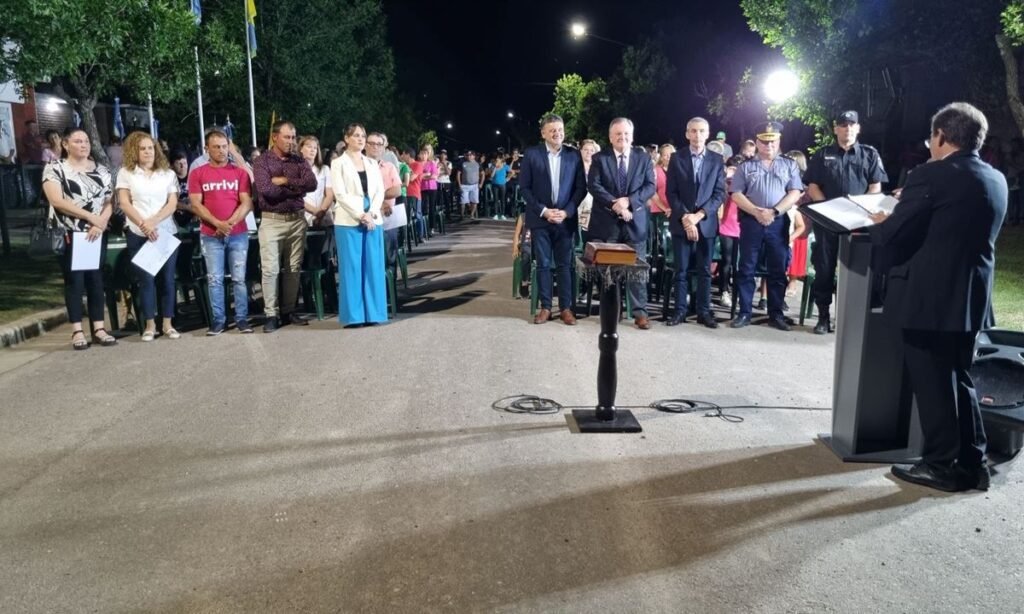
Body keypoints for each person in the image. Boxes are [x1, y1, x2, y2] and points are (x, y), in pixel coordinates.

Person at [866, 102, 1006, 493]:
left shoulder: (931, 174)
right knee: (960, 379)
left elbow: (896, 234)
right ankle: (973, 463)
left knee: (933, 385)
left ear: (941, 136)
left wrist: (882, 221)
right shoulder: (995, 177)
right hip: (970, 298)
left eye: (932, 137)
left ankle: (940, 465)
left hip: (929, 299)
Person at [804, 110, 888, 334]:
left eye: (851, 125)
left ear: (858, 128)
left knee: (856, 271)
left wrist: (860, 210)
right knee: (824, 268)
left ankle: (850, 320)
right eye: (843, 125)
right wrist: (829, 209)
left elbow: (875, 187)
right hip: (828, 221)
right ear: (835, 129)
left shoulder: (869, 154)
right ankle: (823, 317)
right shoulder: (823, 154)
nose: (847, 128)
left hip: (857, 222)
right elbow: (812, 186)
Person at [41, 127, 117, 350]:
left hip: (96, 232)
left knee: (96, 279)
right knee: (75, 281)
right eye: (77, 141)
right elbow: (57, 201)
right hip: (70, 231)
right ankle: (77, 330)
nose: (83, 145)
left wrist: (100, 221)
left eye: (86, 141)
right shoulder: (55, 169)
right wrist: (90, 217)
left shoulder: (101, 170)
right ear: (65, 144)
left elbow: (110, 201)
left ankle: (99, 328)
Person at [728, 121, 804, 330]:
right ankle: (745, 313)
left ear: (779, 141)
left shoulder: (789, 165)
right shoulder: (746, 166)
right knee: (746, 268)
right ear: (757, 142)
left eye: (773, 141)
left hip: (778, 222)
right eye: (764, 141)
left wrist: (774, 211)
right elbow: (736, 194)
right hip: (752, 221)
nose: (768, 145)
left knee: (778, 269)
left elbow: (795, 192)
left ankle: (776, 314)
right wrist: (756, 212)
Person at [587, 117, 657, 329]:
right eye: (618, 134)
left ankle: (640, 313)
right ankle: (613, 310)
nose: (622, 137)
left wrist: (629, 202)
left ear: (632, 136)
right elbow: (594, 186)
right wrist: (615, 204)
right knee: (609, 270)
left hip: (634, 222)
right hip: (607, 223)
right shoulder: (600, 158)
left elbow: (650, 186)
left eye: (626, 134)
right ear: (610, 137)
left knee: (636, 270)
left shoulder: (643, 158)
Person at [519, 113, 586, 325]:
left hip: (565, 221)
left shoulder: (573, 155)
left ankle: (566, 308)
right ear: (543, 133)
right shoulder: (532, 155)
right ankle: (546, 307)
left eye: (560, 130)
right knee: (544, 264)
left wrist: (566, 212)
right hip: (541, 220)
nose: (558, 133)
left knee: (565, 265)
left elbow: (581, 188)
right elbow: (525, 188)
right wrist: (544, 211)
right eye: (553, 130)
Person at [252, 120, 318, 332]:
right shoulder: (262, 162)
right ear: (275, 137)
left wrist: (284, 181)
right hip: (272, 220)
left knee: (293, 268)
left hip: (297, 220)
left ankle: (288, 310)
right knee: (270, 269)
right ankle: (271, 314)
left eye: (293, 137)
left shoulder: (299, 160)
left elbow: (312, 184)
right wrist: (296, 189)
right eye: (287, 137)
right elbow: (267, 190)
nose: (291, 141)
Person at [115, 131, 180, 341]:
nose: (147, 152)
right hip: (138, 232)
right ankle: (150, 325)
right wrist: (144, 225)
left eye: (150, 148)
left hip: (164, 232)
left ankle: (168, 323)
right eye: (142, 148)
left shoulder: (167, 174)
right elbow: (124, 203)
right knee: (146, 280)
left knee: (167, 280)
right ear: (134, 151)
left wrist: (155, 222)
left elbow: (172, 203)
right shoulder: (126, 173)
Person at [188, 129, 254, 335]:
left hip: (238, 233)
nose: (221, 150)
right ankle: (218, 320)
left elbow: (247, 202)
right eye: (216, 147)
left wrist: (229, 224)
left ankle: (242, 319)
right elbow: (196, 204)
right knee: (215, 279)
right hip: (210, 234)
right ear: (207, 149)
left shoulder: (240, 173)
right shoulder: (197, 173)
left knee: (239, 279)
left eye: (224, 146)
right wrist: (217, 223)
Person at [665, 117, 726, 328]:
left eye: (701, 131)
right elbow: (671, 192)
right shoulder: (677, 158)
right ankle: (679, 311)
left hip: (706, 223)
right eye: (693, 131)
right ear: (687, 133)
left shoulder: (716, 160)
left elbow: (719, 194)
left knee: (704, 271)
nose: (697, 135)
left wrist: (698, 216)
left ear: (707, 134)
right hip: (681, 222)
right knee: (681, 271)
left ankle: (703, 312)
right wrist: (686, 217)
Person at [330, 123, 388, 327]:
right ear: (346, 138)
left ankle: (374, 313)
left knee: (373, 267)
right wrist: (360, 214)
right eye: (356, 135)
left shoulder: (372, 163)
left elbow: (380, 191)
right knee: (352, 268)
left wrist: (371, 213)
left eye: (362, 135)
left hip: (373, 218)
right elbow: (340, 194)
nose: (361, 139)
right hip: (349, 220)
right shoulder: (338, 163)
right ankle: (354, 316)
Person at [365, 132, 403, 269]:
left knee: (389, 254)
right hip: (366, 216)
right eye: (372, 143)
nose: (375, 147)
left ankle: (391, 281)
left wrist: (377, 198)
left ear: (383, 147)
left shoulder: (389, 167)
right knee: (370, 256)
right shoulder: (359, 167)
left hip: (388, 215)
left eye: (379, 144)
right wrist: (382, 201)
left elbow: (397, 191)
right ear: (365, 145)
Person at [716, 156, 744, 306]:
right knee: (726, 261)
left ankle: (737, 293)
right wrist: (727, 180)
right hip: (726, 226)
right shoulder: (724, 182)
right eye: (733, 168)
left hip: (741, 228)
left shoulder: (745, 182)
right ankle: (724, 291)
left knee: (738, 263)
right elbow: (720, 201)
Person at [298, 135, 334, 227]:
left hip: (322, 216)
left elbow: (329, 195)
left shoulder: (324, 169)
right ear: (301, 149)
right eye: (309, 146)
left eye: (315, 148)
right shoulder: (295, 170)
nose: (312, 150)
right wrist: (315, 211)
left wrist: (321, 211)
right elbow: (296, 197)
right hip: (301, 215)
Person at [458, 150, 481, 219]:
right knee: (463, 201)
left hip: (475, 185)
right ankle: (462, 215)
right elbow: (458, 174)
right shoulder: (463, 163)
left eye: (470, 155)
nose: (469, 156)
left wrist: (481, 183)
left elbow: (482, 173)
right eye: (468, 155)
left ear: (474, 156)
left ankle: (472, 215)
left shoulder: (478, 164)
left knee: (475, 201)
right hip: (465, 185)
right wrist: (459, 184)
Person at [490, 155, 511, 220]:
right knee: (495, 199)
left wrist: (508, 178)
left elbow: (512, 172)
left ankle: (502, 214)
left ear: (501, 160)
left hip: (502, 184)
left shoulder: (505, 166)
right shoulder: (493, 166)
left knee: (503, 199)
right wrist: (495, 168)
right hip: (495, 184)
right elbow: (491, 175)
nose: (497, 160)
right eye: (496, 159)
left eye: (498, 159)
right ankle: (496, 214)